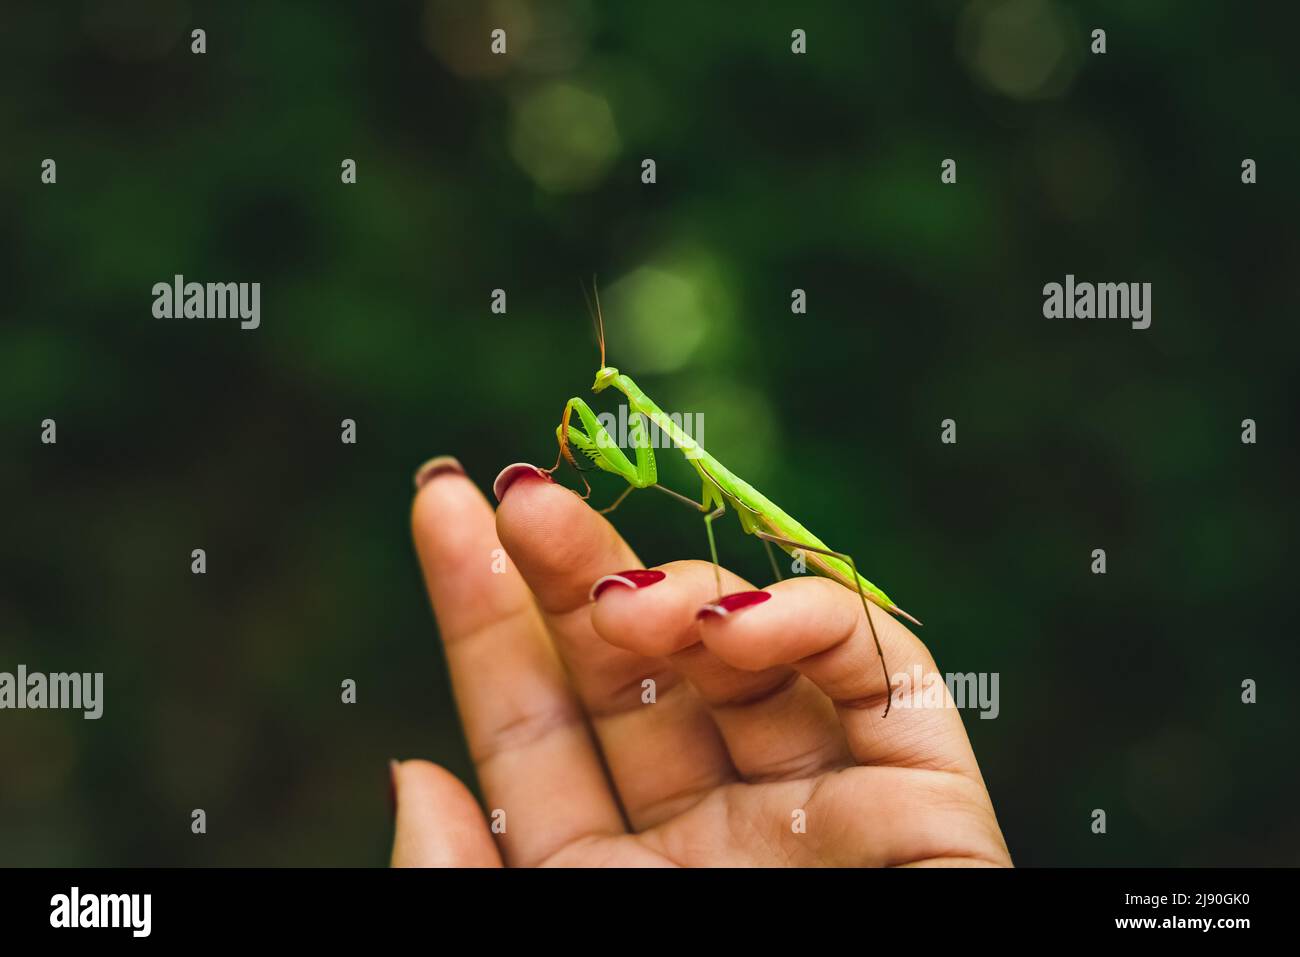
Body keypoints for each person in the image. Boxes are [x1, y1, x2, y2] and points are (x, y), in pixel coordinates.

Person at [390, 456, 1011, 867]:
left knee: (828, 564)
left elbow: (694, 502)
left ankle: (864, 640)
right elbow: (645, 475)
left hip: (817, 558)